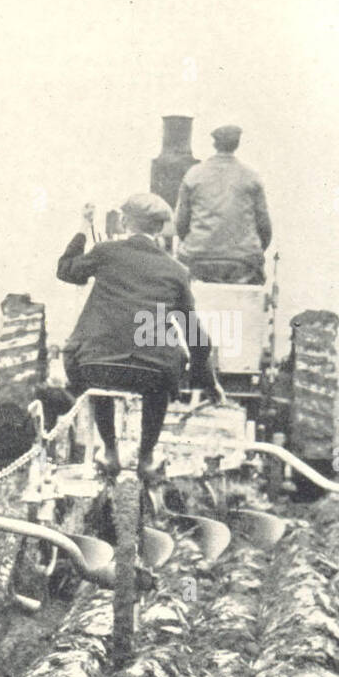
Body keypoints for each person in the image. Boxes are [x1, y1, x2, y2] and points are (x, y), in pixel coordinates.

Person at [57, 194, 221, 483]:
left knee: (96, 368)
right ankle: (146, 457)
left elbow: (66, 270)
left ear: (123, 221)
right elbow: (195, 336)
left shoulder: (106, 252)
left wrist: (84, 225)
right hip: (153, 373)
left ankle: (109, 450)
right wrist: (208, 382)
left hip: (98, 367)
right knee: (161, 367)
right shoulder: (177, 271)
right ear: (160, 229)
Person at [174, 124, 272, 285]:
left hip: (197, 259)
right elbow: (264, 226)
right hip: (243, 263)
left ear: (214, 144)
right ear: (237, 144)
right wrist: (249, 252)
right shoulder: (251, 176)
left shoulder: (194, 174)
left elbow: (181, 223)